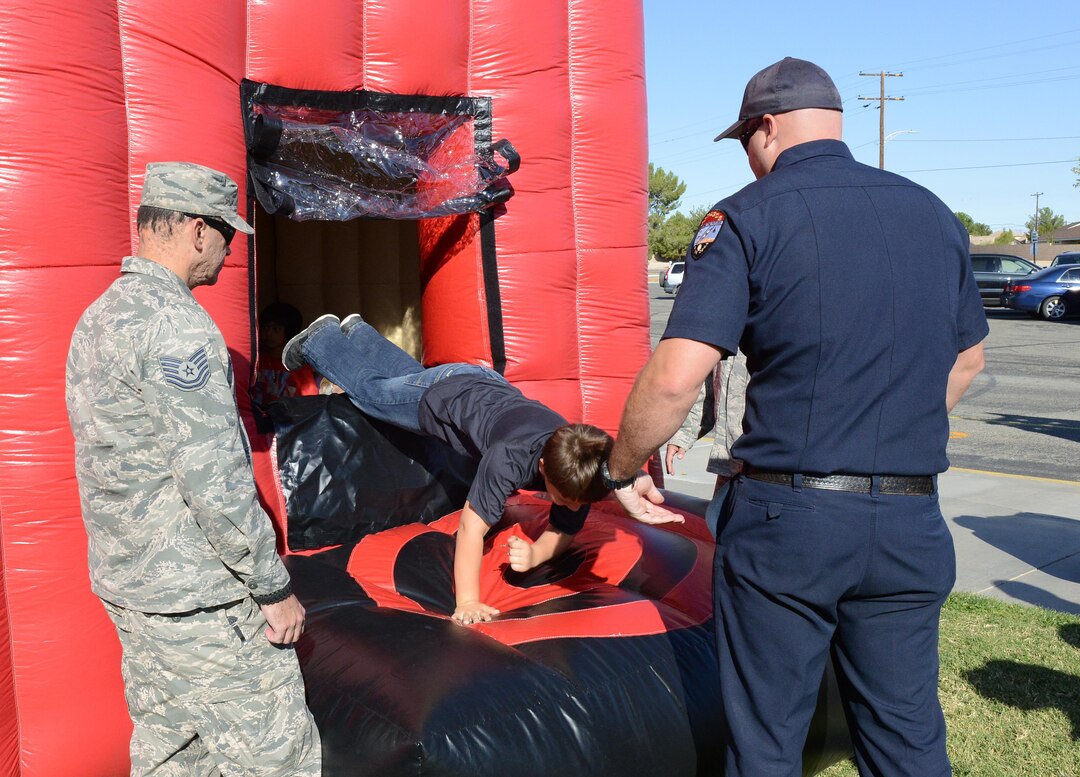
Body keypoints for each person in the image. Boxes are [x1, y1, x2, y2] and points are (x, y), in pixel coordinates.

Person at [605, 58, 987, 777]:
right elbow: (967, 359)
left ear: (766, 128)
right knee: (906, 737)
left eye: (746, 142)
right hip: (910, 519)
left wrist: (621, 467)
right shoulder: (933, 213)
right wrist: (888, 428)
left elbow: (677, 376)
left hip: (790, 523)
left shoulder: (745, 217)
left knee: (766, 740)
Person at [65, 162, 321, 774]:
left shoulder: (99, 318)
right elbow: (215, 481)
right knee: (276, 757)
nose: (230, 252)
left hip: (132, 587)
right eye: (226, 234)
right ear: (196, 230)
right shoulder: (178, 326)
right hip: (199, 597)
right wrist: (272, 587)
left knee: (173, 753)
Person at [281, 314, 682, 626]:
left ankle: (359, 335)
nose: (571, 506)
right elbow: (472, 529)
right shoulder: (509, 459)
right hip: (444, 397)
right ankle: (322, 340)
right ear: (542, 466)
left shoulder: (580, 462)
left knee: (407, 378)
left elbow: (570, 522)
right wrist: (468, 600)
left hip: (481, 384)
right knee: (373, 394)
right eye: (563, 498)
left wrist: (537, 552)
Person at [665, 351, 749, 492]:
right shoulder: (729, 337)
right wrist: (684, 434)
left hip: (773, 472)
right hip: (730, 466)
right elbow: (709, 387)